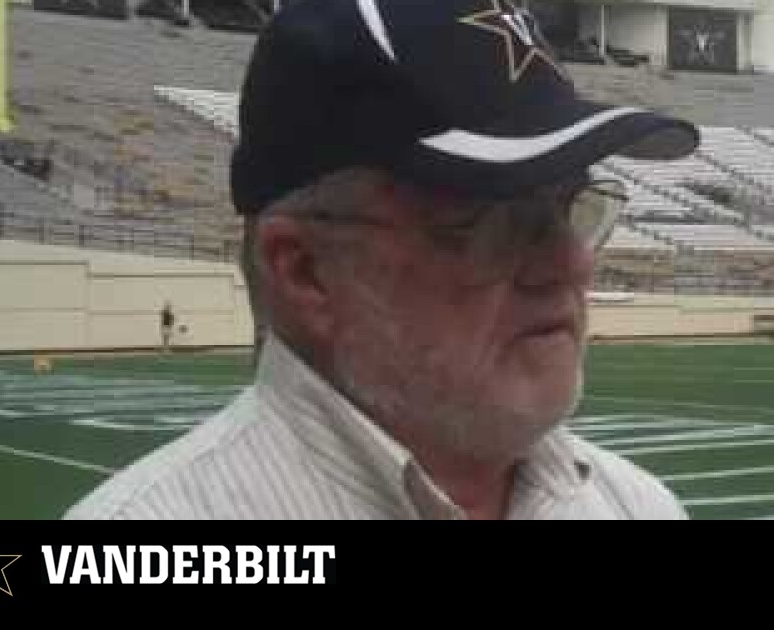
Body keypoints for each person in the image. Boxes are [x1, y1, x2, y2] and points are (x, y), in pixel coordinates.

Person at [65, 0, 698, 520]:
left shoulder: (636, 506)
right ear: (307, 272)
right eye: (494, 220)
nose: (570, 264)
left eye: (570, 209)